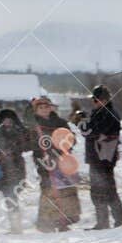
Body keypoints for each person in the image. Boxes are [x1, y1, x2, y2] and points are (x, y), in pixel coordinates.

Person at [76, 85, 122, 230]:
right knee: (102, 191)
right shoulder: (103, 113)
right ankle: (109, 221)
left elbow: (91, 132)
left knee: (105, 191)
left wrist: (82, 122)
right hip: (101, 157)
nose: (95, 103)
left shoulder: (107, 114)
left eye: (97, 100)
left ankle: (115, 222)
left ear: (103, 100)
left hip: (102, 158)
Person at [29, 97, 74, 232]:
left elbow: (70, 139)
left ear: (51, 107)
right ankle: (45, 222)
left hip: (60, 159)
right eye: (40, 108)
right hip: (43, 161)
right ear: (36, 110)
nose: (44, 110)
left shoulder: (60, 122)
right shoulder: (33, 125)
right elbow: (27, 142)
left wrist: (64, 147)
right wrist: (39, 147)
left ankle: (62, 221)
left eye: (46, 107)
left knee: (62, 190)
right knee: (47, 189)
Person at [0, 108, 29, 234]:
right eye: (5, 119)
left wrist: (14, 150)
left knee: (11, 196)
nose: (7, 121)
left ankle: (16, 227)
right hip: (1, 169)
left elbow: (27, 146)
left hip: (16, 168)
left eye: (10, 119)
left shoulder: (21, 132)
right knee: (3, 196)